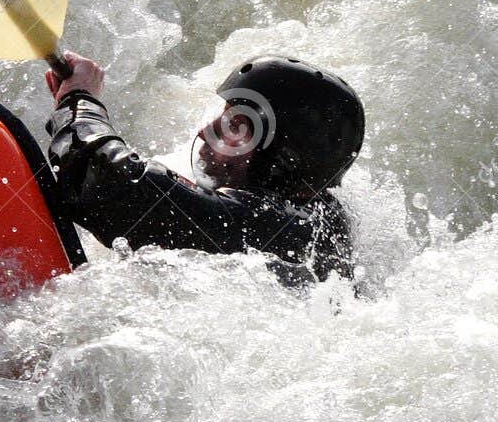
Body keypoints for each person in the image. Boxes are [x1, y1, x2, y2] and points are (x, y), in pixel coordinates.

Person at [44, 52, 364, 285]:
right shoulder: (320, 221)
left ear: (285, 160)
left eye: (236, 126)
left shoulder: (273, 228)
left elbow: (113, 182)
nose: (205, 133)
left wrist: (78, 101)